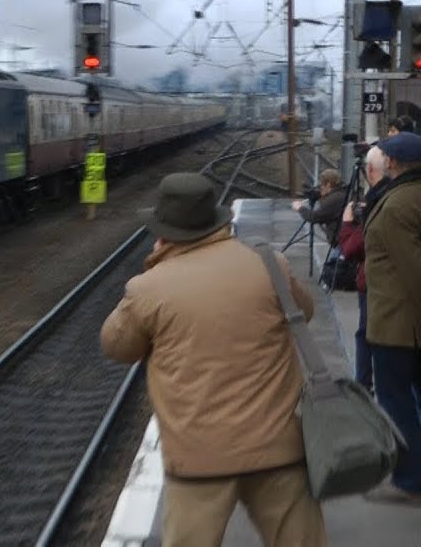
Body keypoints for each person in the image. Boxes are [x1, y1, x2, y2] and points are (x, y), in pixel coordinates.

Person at [101, 172, 326, 546]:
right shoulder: (269, 265)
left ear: (163, 231)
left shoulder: (149, 288)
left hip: (198, 460)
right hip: (279, 449)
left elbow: (116, 346)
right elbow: (306, 311)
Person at [362, 130, 421, 504]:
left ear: (394, 164)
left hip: (400, 327)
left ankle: (410, 480)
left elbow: (413, 270)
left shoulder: (399, 204)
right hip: (408, 324)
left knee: (397, 404)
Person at [336, 146, 391, 394]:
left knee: (367, 333)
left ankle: (364, 383)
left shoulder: (379, 203)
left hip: (374, 283)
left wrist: (348, 222)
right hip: (396, 283)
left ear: (369, 170)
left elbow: (351, 249)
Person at [291, 168, 347, 243]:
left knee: (334, 255)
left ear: (328, 184)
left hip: (341, 242)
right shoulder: (344, 191)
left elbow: (314, 217)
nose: (321, 187)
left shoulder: (334, 199)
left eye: (322, 185)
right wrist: (322, 195)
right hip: (344, 239)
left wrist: (299, 207)